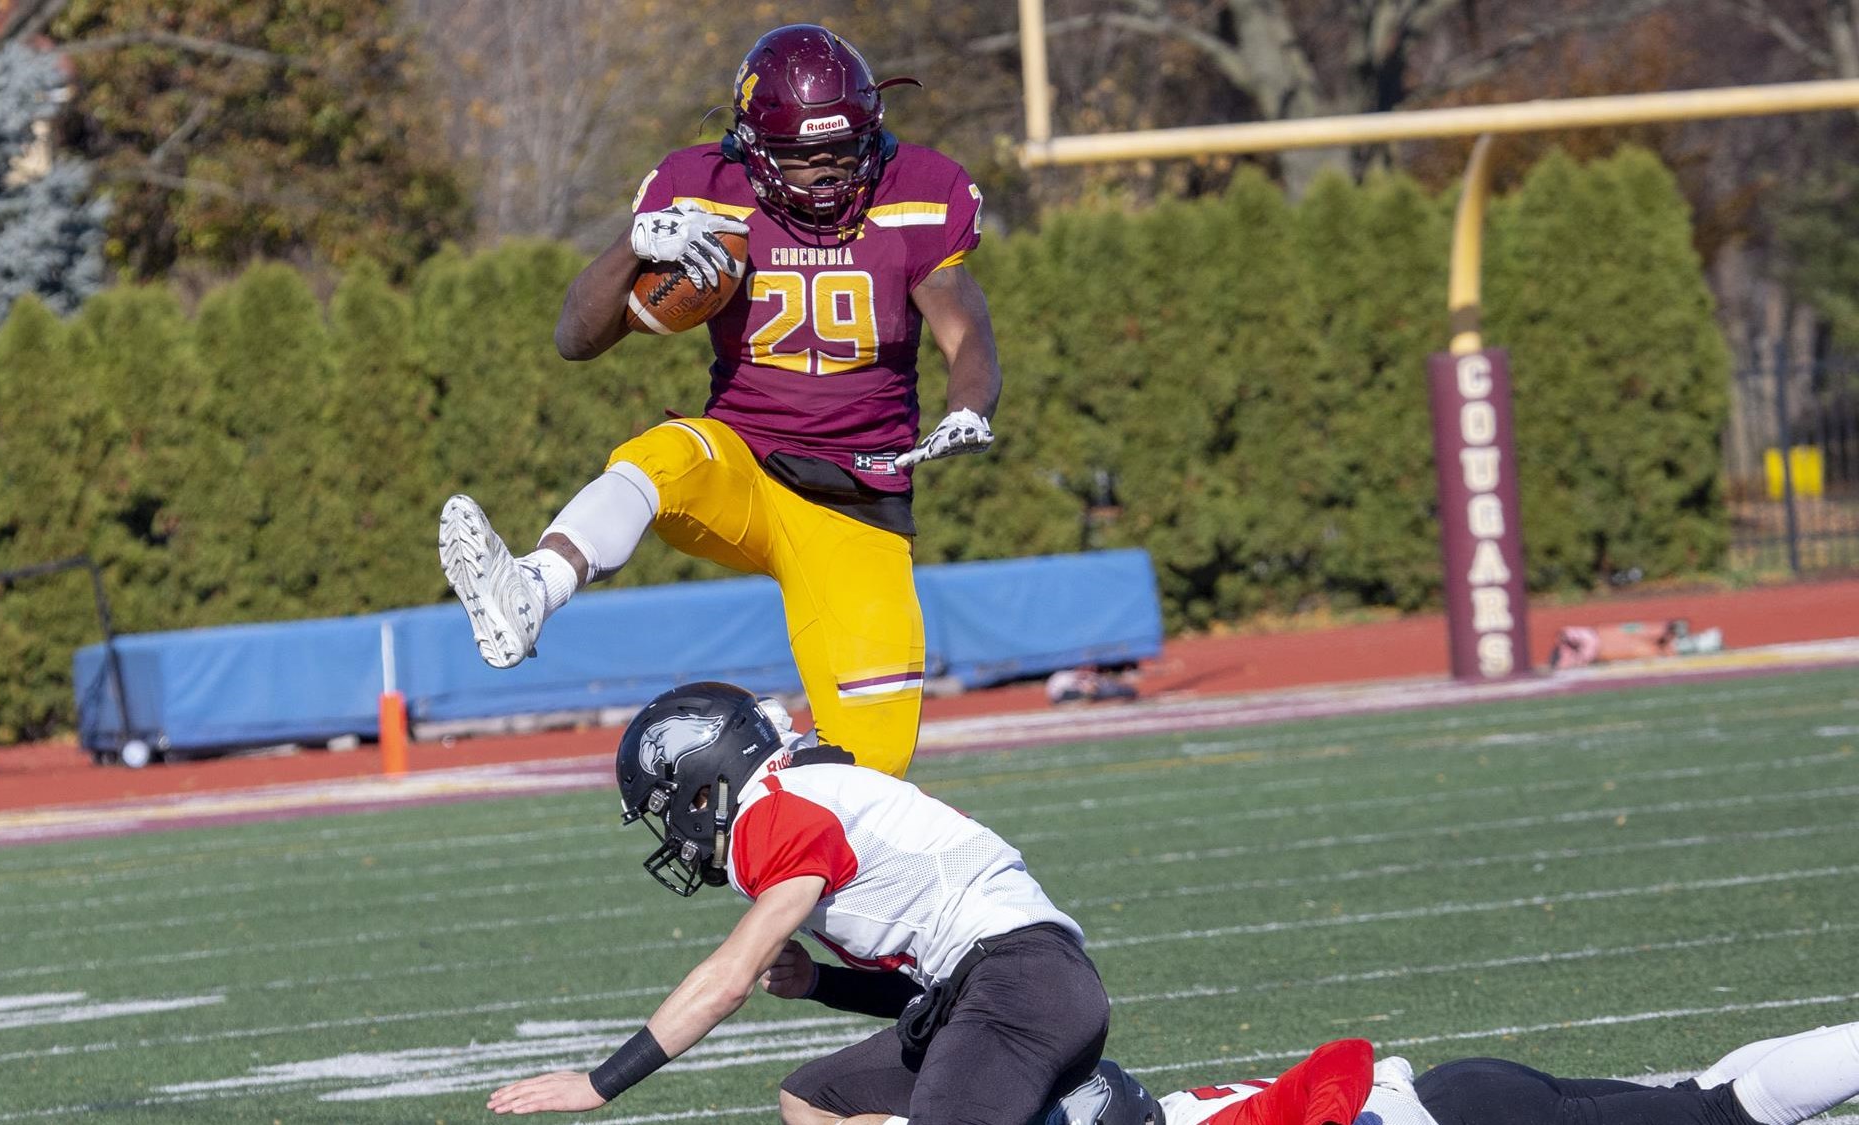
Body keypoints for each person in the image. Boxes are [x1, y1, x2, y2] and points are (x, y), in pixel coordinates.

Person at [439, 23, 1002, 778]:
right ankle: (535, 586)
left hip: (859, 502)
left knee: (875, 765)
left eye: (846, 147)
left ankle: (773, 785)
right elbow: (575, 337)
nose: (830, 169)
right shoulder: (702, 187)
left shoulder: (919, 191)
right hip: (746, 466)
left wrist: (970, 406)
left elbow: (966, 330)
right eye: (804, 155)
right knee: (663, 457)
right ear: (755, 149)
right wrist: (633, 246)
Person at [484, 681, 1109, 1123]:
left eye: (671, 806)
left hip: (1023, 988)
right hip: (1006, 989)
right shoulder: (798, 787)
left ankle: (1088, 1114)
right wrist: (818, 983)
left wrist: (600, 1083)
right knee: (812, 1101)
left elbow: (729, 980)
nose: (675, 832)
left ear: (705, 784)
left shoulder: (773, 813)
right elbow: (933, 986)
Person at [1146, 1020, 1859, 1125]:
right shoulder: (1174, 1106)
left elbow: (1344, 1057)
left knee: (1724, 1114)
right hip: (1460, 1088)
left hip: (1477, 1115)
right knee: (1697, 1098)